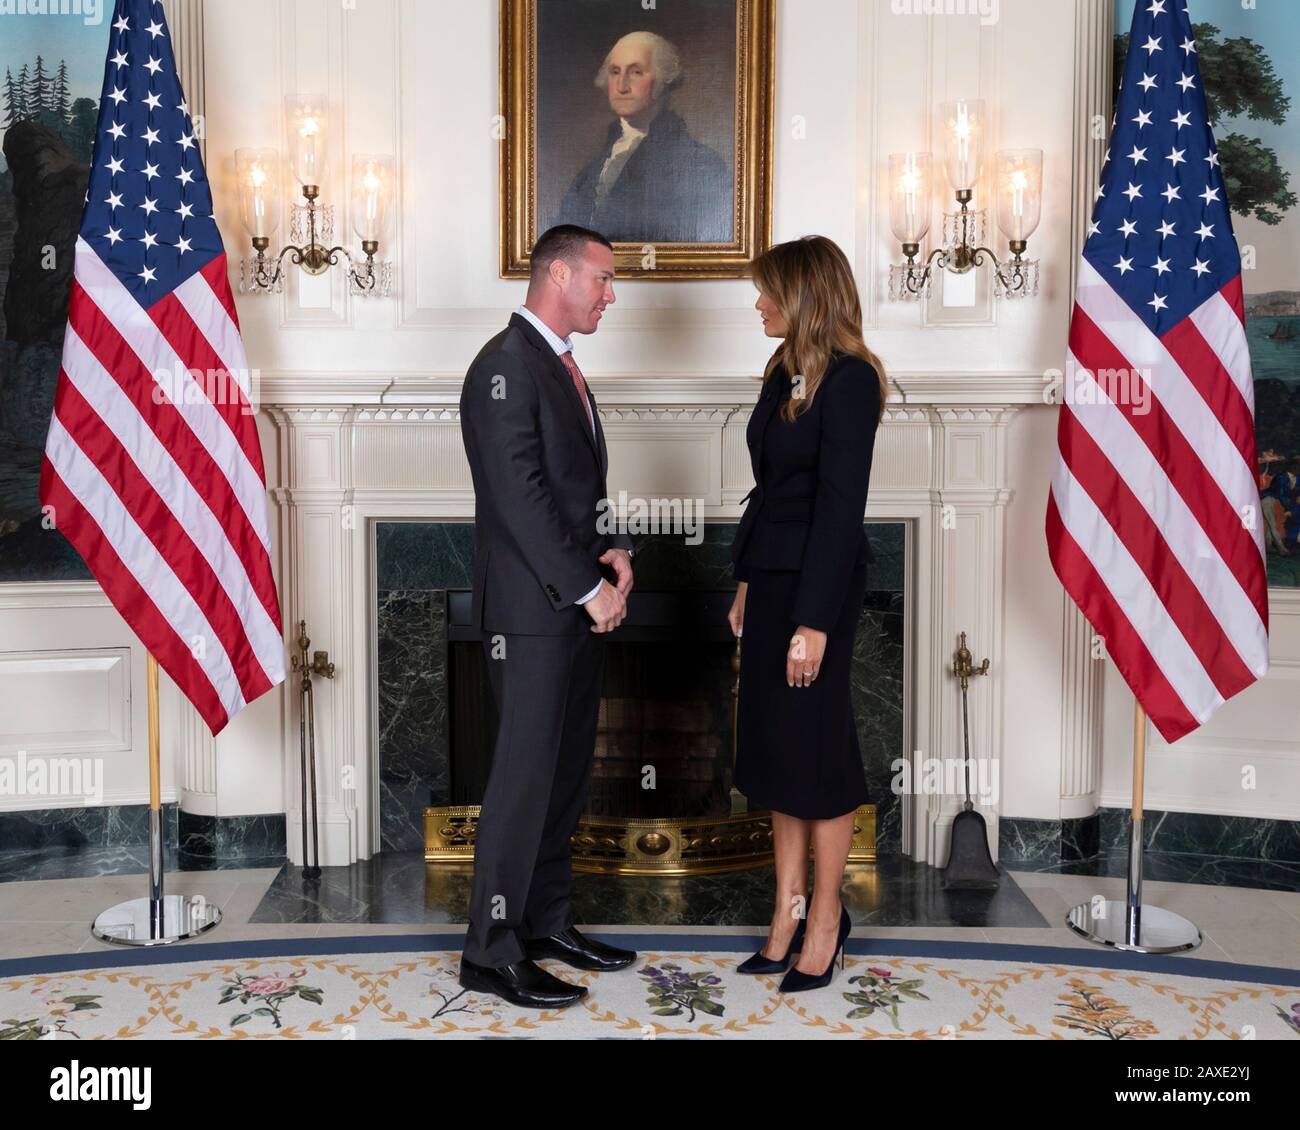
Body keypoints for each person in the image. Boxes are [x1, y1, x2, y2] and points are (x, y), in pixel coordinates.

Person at [457, 224, 640, 1008]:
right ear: (559, 274)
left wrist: (616, 550)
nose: (610, 294)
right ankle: (490, 950)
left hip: (568, 607)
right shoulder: (503, 366)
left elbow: (575, 489)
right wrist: (586, 588)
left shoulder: (560, 367)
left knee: (563, 778)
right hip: (530, 617)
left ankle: (546, 923)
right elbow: (521, 502)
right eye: (601, 279)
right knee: (522, 785)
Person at [727, 234, 888, 992]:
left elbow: (837, 508)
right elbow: (773, 491)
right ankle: (786, 912)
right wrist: (748, 582)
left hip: (818, 591)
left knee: (817, 754)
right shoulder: (781, 369)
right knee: (776, 753)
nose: (757, 303)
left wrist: (814, 620)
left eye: (767, 291)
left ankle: (826, 918)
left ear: (803, 295)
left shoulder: (852, 381)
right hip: (772, 580)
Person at [555, 30, 732, 243]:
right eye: (614, 72)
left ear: (663, 80)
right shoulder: (592, 170)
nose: (621, 86)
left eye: (636, 72)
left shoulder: (702, 164)